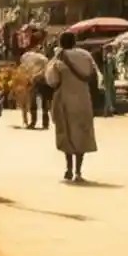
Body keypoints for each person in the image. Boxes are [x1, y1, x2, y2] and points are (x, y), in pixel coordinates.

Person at [44, 32, 99, 181]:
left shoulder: (58, 58)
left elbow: (51, 80)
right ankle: (78, 171)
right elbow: (94, 76)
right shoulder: (86, 56)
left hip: (65, 99)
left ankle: (68, 168)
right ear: (75, 43)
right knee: (81, 134)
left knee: (67, 134)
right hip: (83, 99)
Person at [20, 45, 51, 129]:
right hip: (43, 80)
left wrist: (31, 77)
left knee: (33, 102)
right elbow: (46, 69)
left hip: (34, 81)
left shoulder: (26, 57)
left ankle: (33, 122)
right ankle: (45, 123)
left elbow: (24, 68)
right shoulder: (44, 58)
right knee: (45, 102)